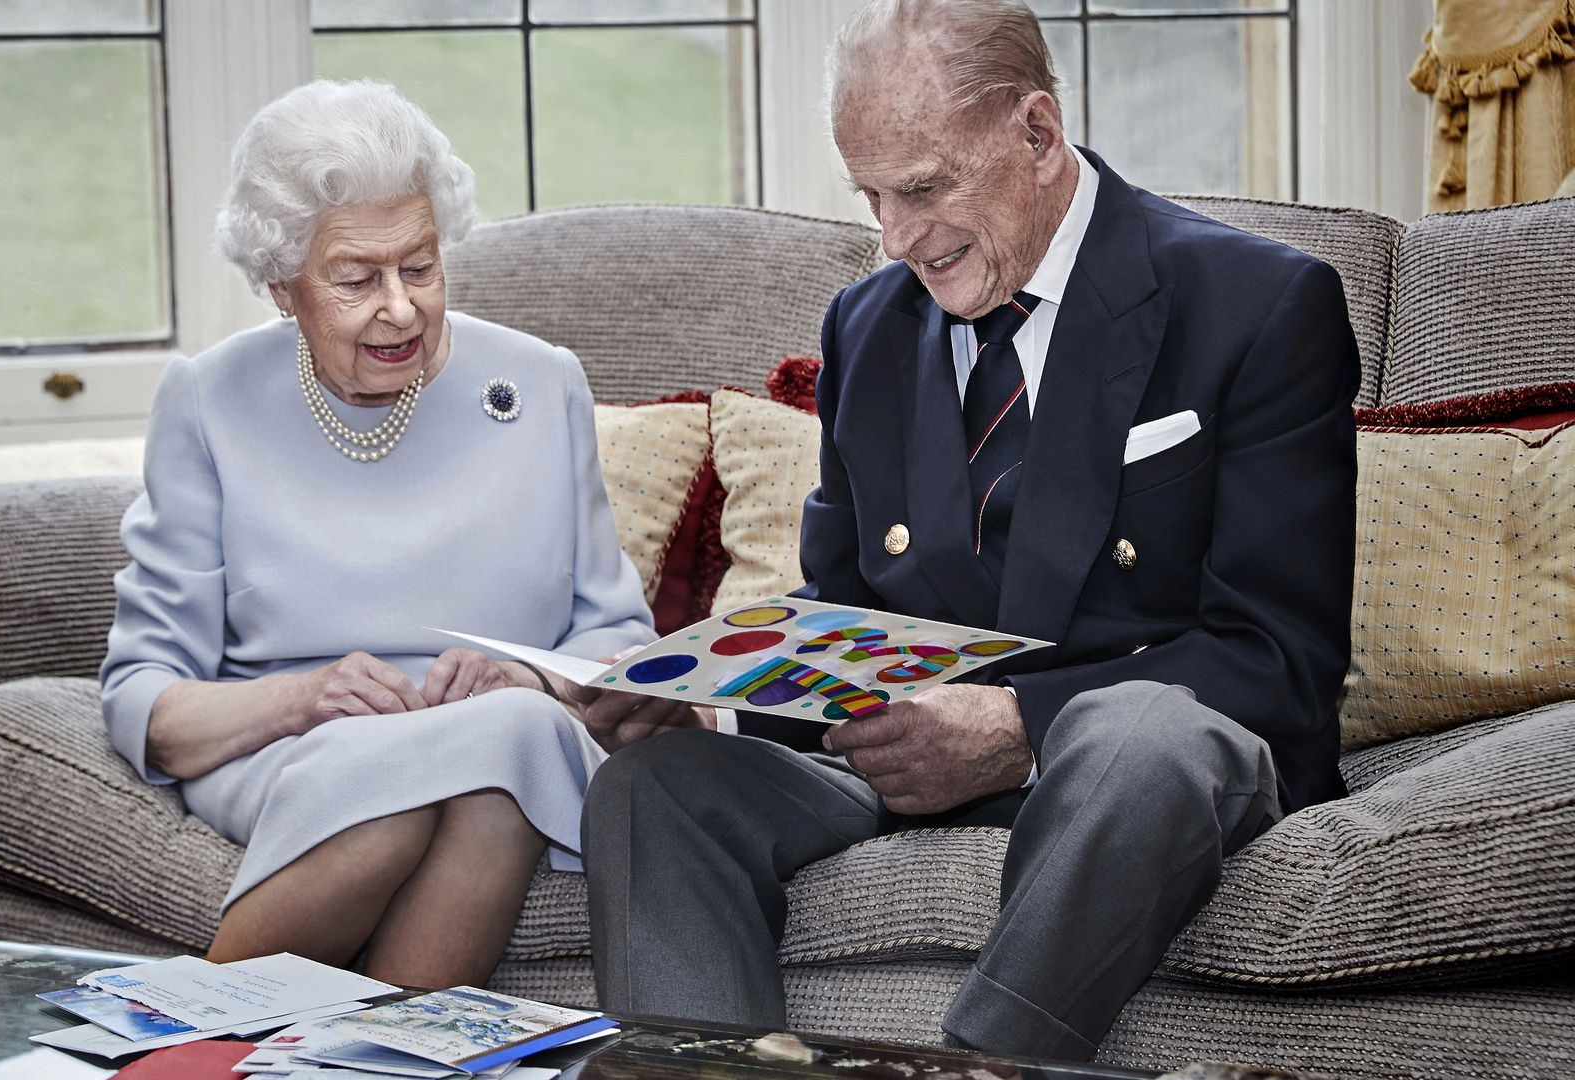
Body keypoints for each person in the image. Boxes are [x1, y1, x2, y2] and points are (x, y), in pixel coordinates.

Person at [582, 0, 1358, 1061]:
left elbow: (1282, 661)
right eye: (870, 197)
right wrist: (707, 699)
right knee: (654, 788)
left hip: (1128, 778)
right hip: (905, 774)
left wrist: (1017, 727)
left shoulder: (1258, 305)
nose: (897, 239)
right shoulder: (866, 325)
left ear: (1036, 133)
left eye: (922, 188)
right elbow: (847, 611)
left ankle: (974, 1066)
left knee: (1143, 733)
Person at [99, 79, 703, 986]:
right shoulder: (208, 399)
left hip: (509, 732)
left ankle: (178, 1041)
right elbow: (147, 704)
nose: (402, 307)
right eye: (355, 279)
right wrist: (305, 700)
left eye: (419, 266)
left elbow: (616, 638)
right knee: (417, 787)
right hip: (292, 747)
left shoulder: (540, 382)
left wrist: (526, 674)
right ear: (282, 286)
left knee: (498, 756)